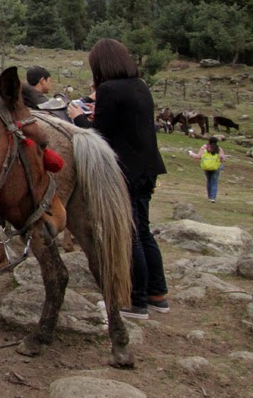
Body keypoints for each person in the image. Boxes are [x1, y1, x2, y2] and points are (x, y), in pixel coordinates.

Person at [66, 39, 168, 320]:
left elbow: (101, 135)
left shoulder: (109, 89)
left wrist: (78, 118)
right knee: (144, 231)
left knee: (128, 234)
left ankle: (133, 300)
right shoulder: (140, 86)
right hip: (148, 168)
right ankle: (157, 293)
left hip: (126, 172)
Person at [189, 136, 226, 202]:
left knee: (209, 181)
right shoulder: (219, 149)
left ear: (209, 141)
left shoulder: (204, 148)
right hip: (216, 167)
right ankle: (213, 197)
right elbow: (222, 158)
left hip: (206, 166)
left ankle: (209, 196)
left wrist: (191, 153)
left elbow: (198, 156)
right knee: (214, 182)